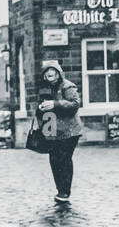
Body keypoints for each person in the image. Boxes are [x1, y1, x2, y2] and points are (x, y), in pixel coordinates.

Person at [34, 62, 83, 203]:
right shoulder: (44, 88)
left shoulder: (67, 86)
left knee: (65, 159)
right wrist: (41, 109)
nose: (49, 73)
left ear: (58, 73)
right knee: (54, 160)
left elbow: (75, 103)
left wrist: (55, 104)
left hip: (70, 131)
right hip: (52, 130)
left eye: (52, 70)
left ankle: (64, 191)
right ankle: (59, 189)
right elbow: (40, 110)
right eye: (46, 71)